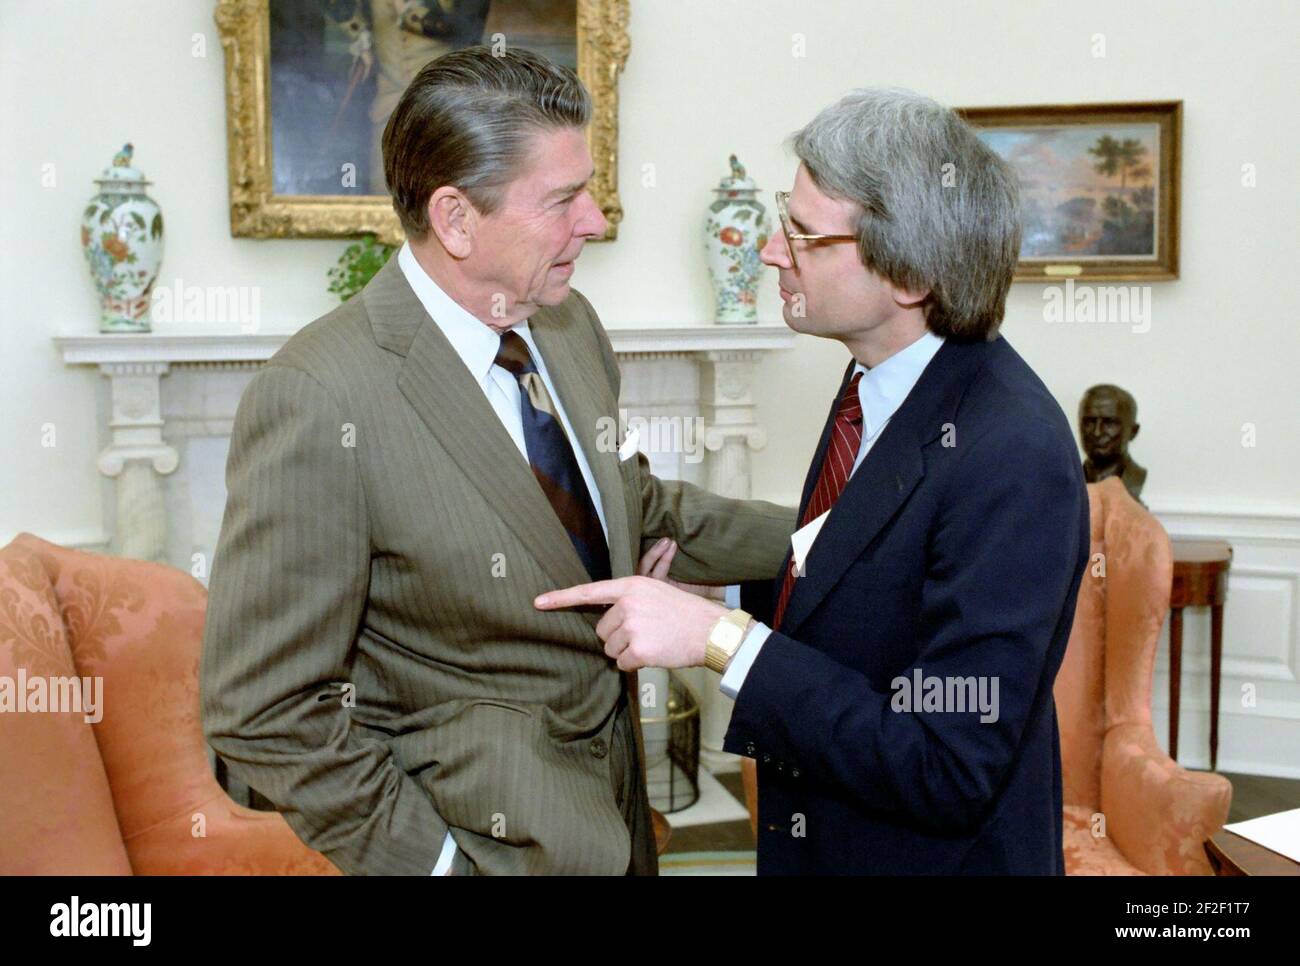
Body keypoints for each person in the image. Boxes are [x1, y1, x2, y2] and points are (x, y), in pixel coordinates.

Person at [200, 46, 795, 876]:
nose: (594, 220)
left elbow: (641, 512)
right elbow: (262, 711)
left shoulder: (568, 325)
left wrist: (840, 534)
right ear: (455, 219)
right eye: (563, 199)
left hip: (622, 831)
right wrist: (441, 865)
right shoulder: (319, 396)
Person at [537, 87, 1091, 874]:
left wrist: (720, 642)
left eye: (802, 234)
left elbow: (948, 764)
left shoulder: (1012, 454)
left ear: (909, 275)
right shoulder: (878, 385)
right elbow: (867, 598)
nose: (769, 251)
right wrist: (718, 603)